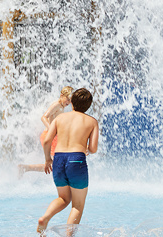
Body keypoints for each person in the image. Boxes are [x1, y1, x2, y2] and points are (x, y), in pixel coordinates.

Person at [37, 87, 99, 234]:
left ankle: (45, 217)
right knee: (77, 205)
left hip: (58, 159)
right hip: (76, 160)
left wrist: (47, 160)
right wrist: (87, 150)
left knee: (63, 198)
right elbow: (93, 148)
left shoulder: (59, 118)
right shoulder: (92, 121)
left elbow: (47, 141)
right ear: (88, 106)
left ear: (72, 103)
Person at [19, 86, 73, 175]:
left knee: (56, 163)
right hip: (49, 135)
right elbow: (44, 117)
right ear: (61, 95)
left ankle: (25, 168)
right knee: (54, 163)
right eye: (67, 99)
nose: (69, 102)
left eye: (70, 100)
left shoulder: (61, 107)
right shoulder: (56, 105)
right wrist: (51, 129)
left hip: (53, 136)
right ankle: (25, 168)